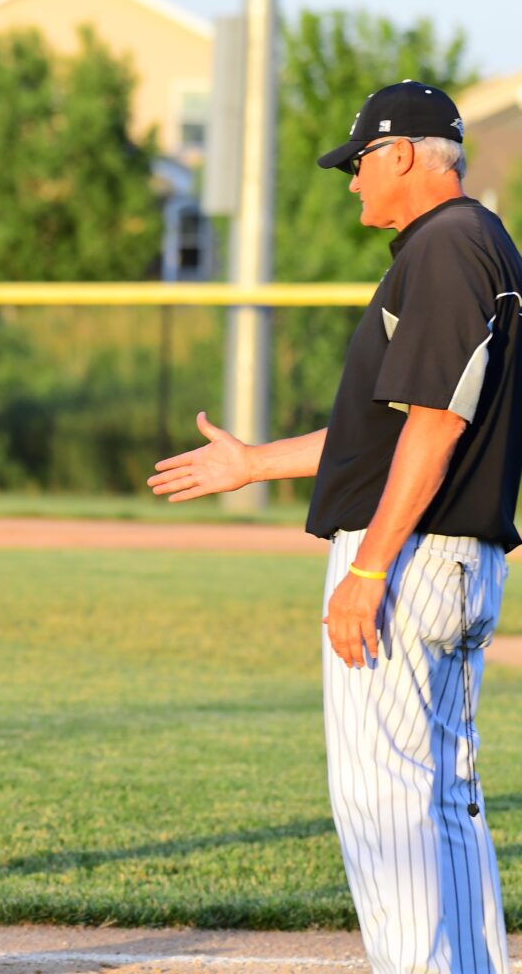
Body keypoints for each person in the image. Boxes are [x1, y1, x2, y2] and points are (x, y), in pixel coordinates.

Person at [149, 80, 522, 974]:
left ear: (401, 155)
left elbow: (432, 428)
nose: (353, 183)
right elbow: (385, 432)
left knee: (385, 802)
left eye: (359, 164)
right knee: (443, 799)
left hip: (409, 557)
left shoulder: (442, 247)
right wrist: (252, 463)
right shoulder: (485, 245)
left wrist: (368, 573)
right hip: (459, 554)